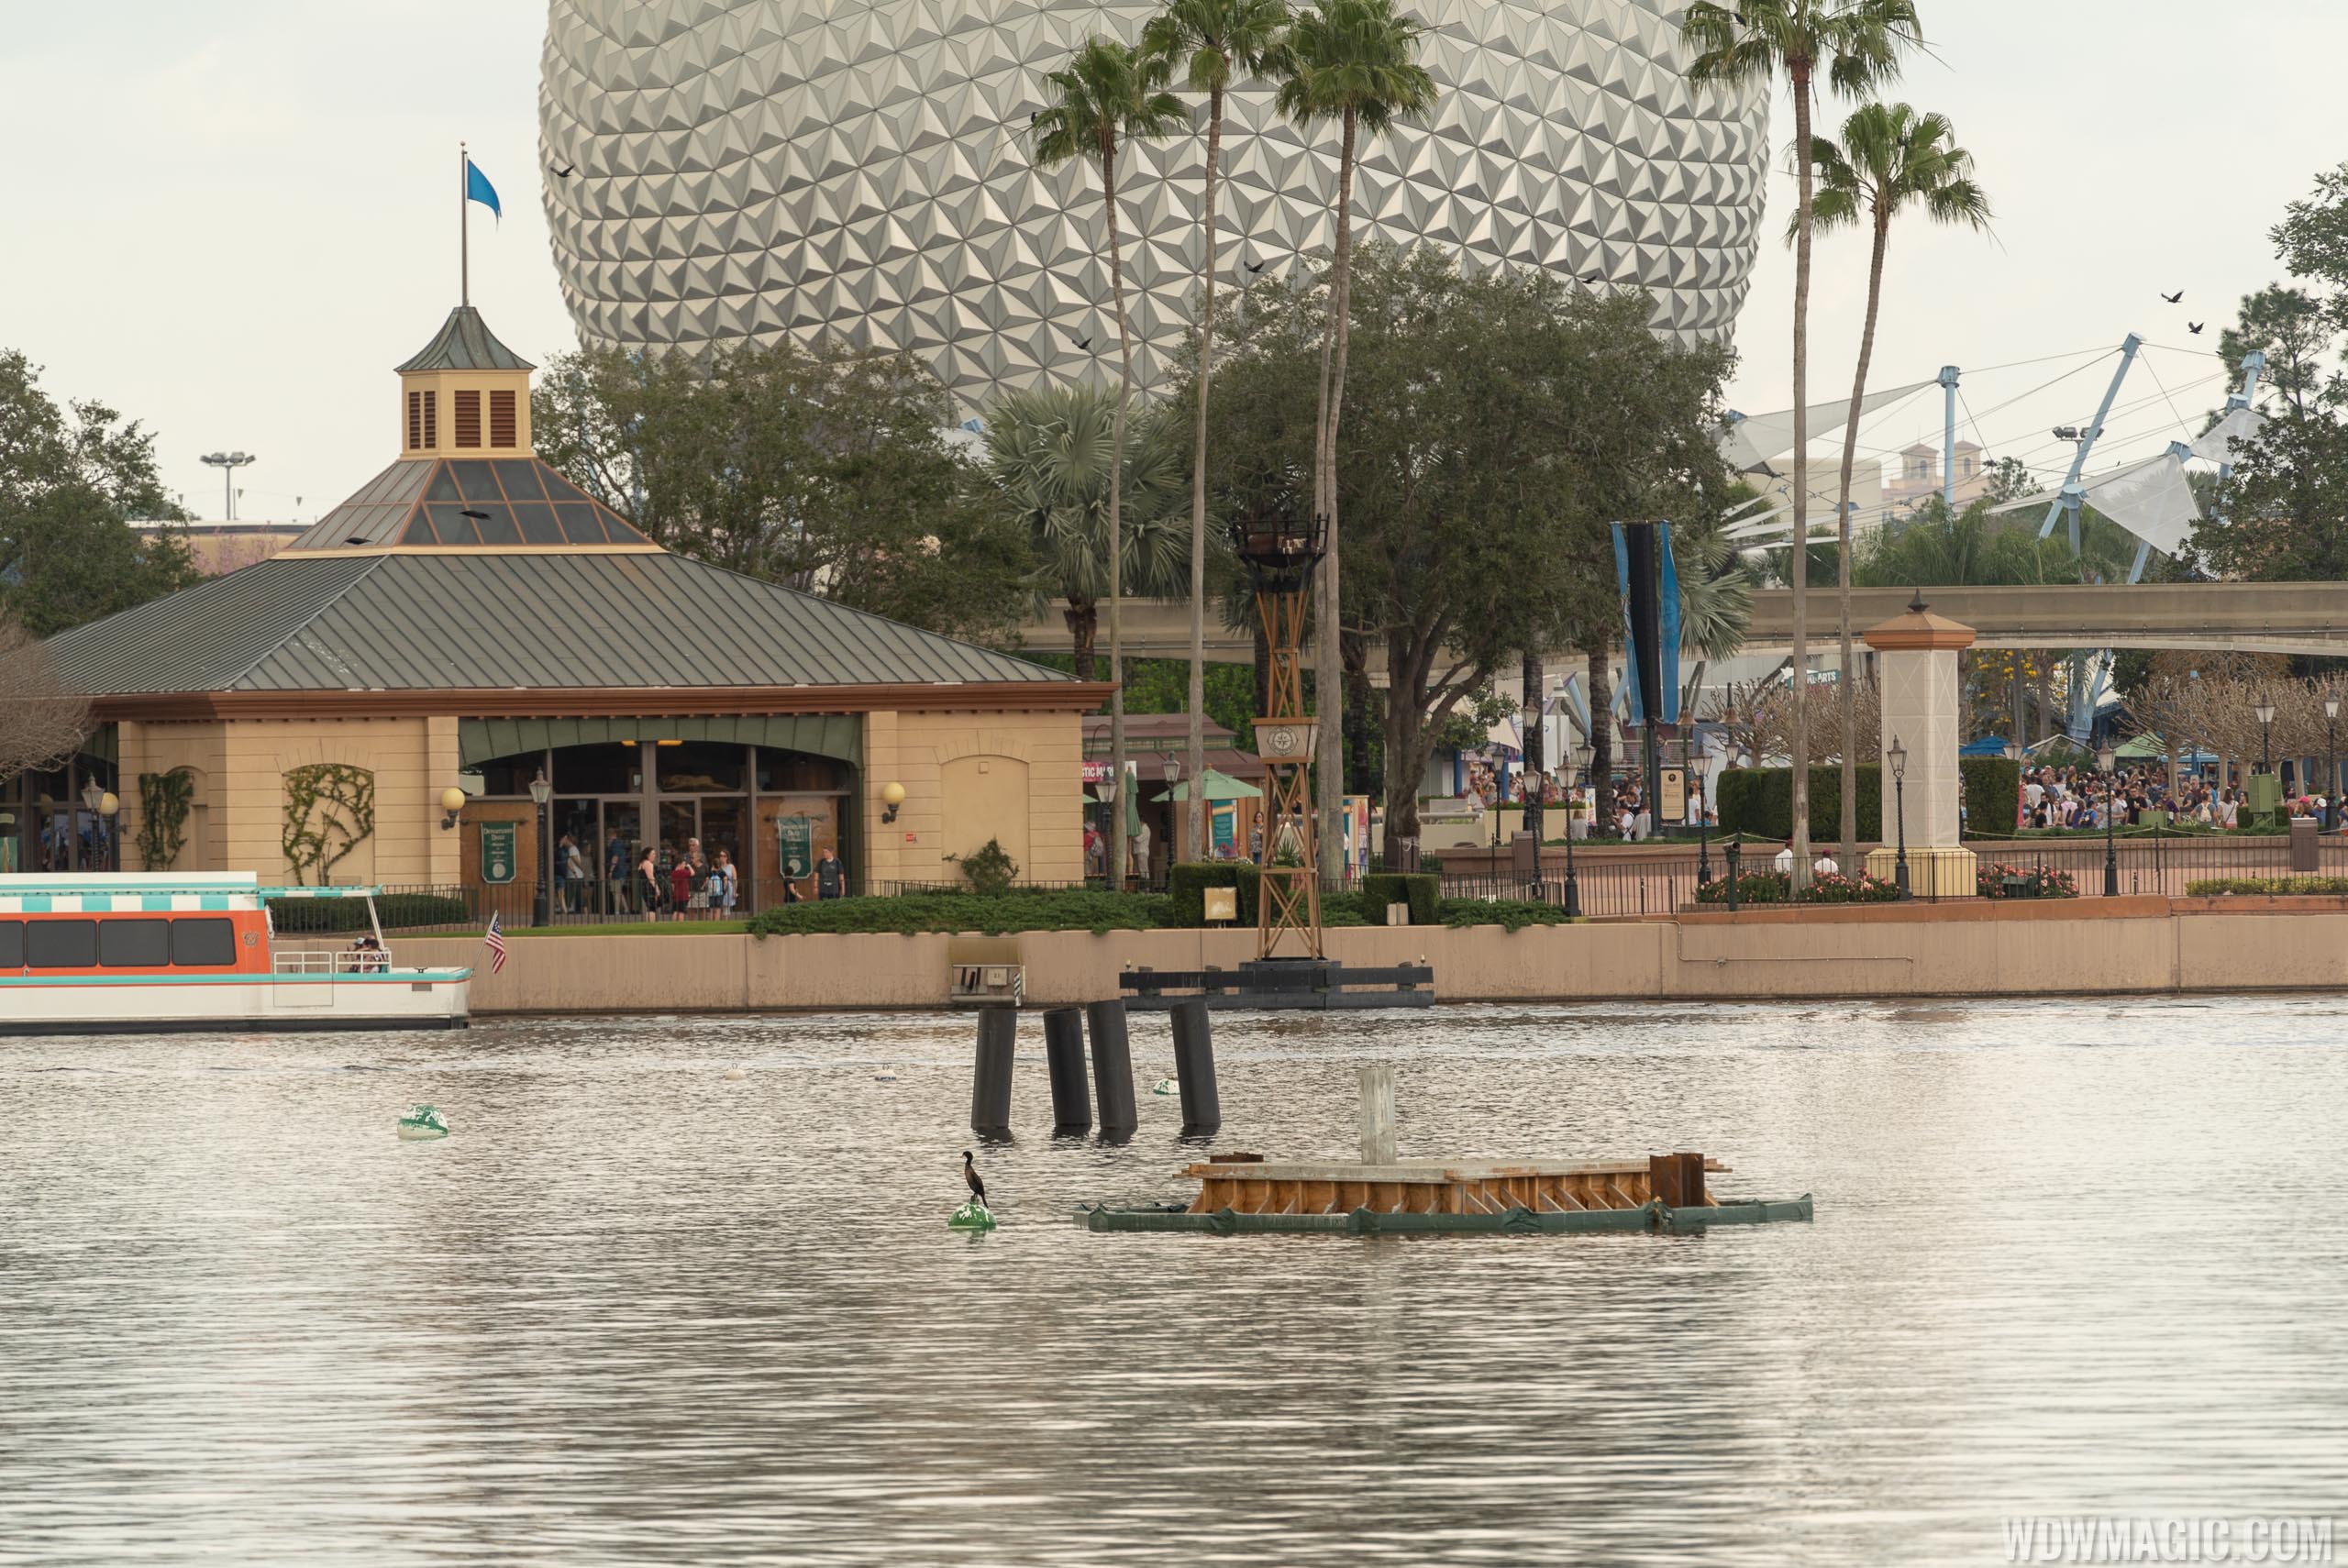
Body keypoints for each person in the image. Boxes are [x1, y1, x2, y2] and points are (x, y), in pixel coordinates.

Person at [704, 848, 738, 915]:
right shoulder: (716, 866)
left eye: (724, 856)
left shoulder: (731, 866)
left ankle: (726, 923)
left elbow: (735, 879)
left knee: (726, 909)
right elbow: (711, 877)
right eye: (721, 856)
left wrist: (735, 891)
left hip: (728, 889)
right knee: (716, 907)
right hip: (717, 889)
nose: (722, 857)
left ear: (727, 857)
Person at [635, 845, 663, 921]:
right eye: (653, 854)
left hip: (645, 887)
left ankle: (649, 924)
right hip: (649, 887)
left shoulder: (642, 863)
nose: (655, 855)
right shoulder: (647, 863)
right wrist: (657, 889)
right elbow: (651, 878)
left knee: (650, 907)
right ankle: (652, 925)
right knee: (652, 908)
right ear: (647, 855)